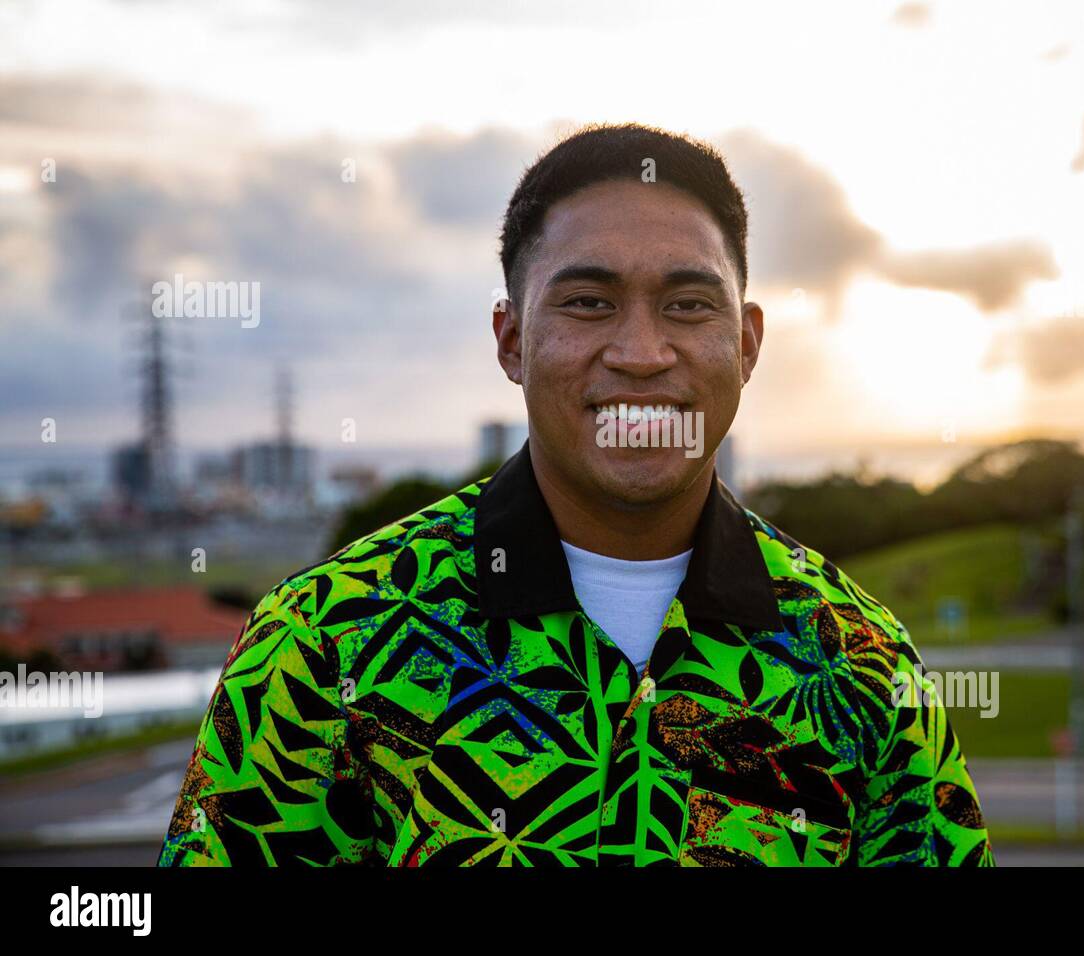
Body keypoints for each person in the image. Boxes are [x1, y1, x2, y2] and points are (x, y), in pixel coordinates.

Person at [158, 122, 995, 867]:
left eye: (688, 304)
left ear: (745, 344)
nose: (640, 351)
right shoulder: (326, 639)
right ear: (513, 340)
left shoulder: (859, 661)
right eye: (590, 303)